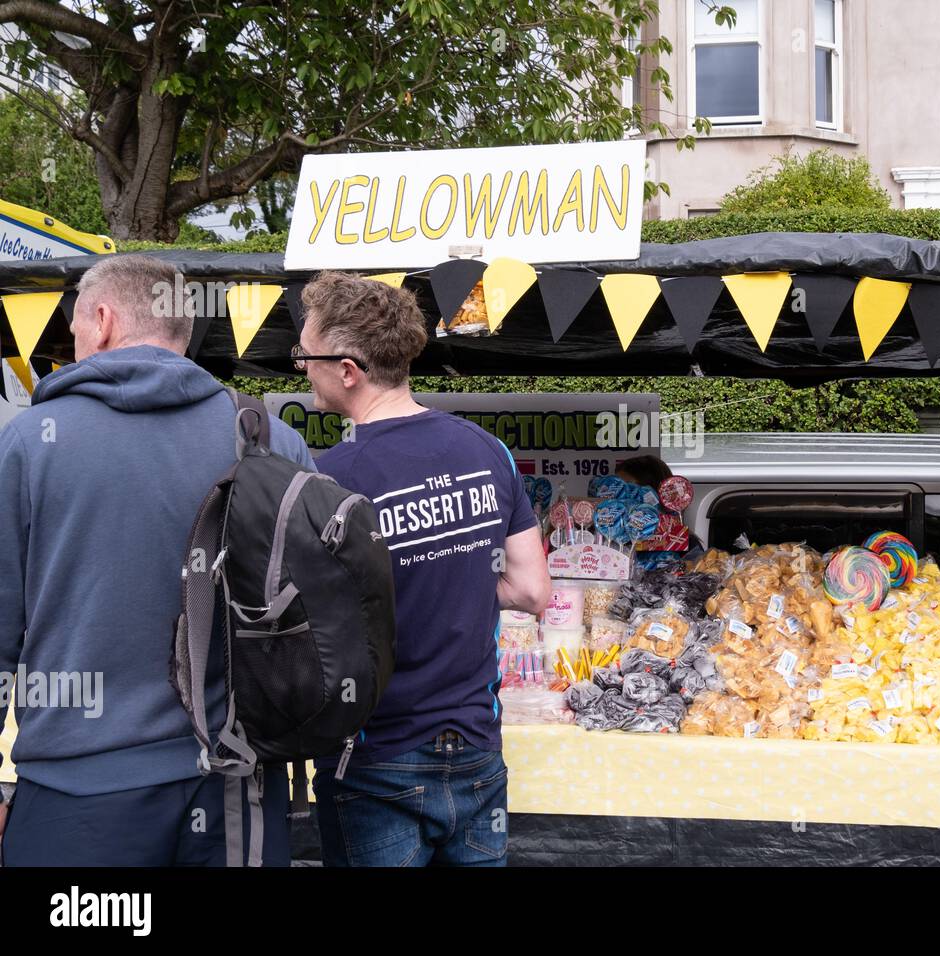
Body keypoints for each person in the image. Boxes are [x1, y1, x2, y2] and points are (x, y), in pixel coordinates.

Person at [0, 255, 315, 866]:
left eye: (74, 329)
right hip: (238, 793)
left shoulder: (28, 443)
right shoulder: (271, 439)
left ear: (102, 317)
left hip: (79, 794)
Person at [299, 271, 550, 867]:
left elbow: (308, 622)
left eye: (304, 356)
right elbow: (531, 590)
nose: (301, 368)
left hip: (377, 755)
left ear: (348, 369)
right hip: (475, 751)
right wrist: (456, 566)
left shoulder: (329, 478)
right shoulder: (486, 450)